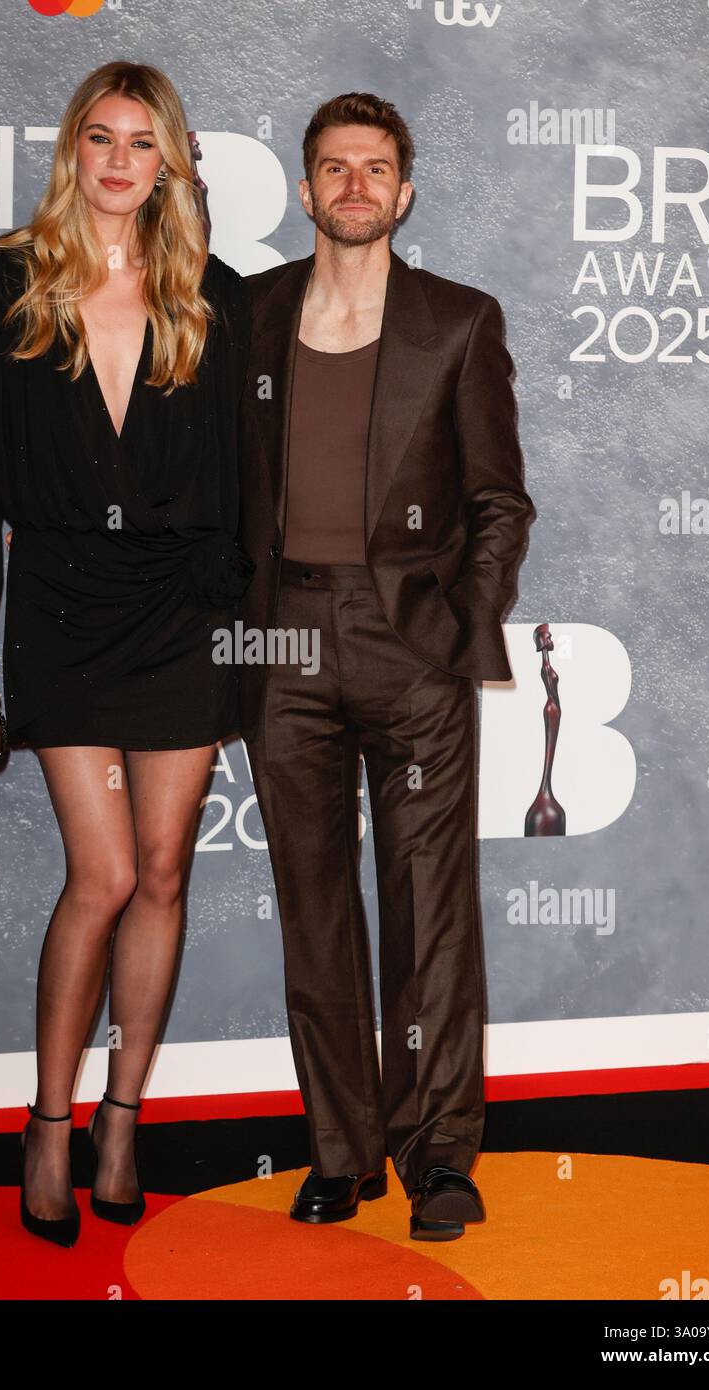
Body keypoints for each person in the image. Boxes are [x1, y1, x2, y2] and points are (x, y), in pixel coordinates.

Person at [0, 61, 253, 1248]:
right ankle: (49, 1124)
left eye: (142, 143)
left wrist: (251, 622)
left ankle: (124, 1116)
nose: (119, 161)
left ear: (169, 163)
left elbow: (239, 484)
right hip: (64, 607)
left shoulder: (212, 297)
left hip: (180, 615)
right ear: (73, 150)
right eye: (100, 138)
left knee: (166, 872)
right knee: (105, 874)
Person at [237, 92, 536, 1241]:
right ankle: (339, 1149)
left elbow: (498, 497)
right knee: (312, 908)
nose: (353, 185)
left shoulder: (456, 321)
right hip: (282, 645)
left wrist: (462, 623)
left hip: (408, 644)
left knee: (428, 911)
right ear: (304, 188)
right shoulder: (249, 315)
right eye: (332, 167)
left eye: (374, 168)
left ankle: (439, 1155)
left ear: (403, 191)